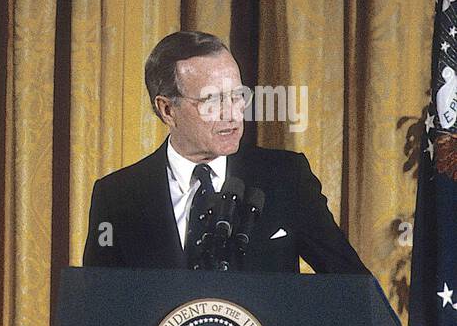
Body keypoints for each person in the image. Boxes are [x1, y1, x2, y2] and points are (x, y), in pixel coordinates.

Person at [82, 30, 371, 274]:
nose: (232, 113)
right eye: (212, 100)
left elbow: (351, 286)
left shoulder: (286, 178)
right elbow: (99, 308)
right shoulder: (117, 197)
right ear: (167, 109)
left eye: (237, 95)